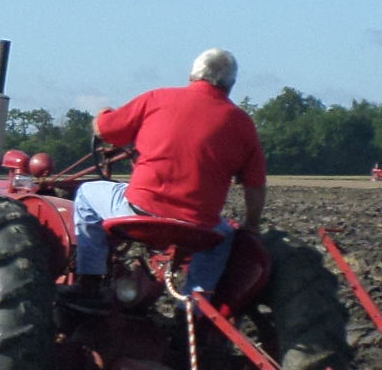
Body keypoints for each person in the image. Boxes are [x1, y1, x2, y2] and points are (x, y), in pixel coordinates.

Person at [70, 48, 266, 298]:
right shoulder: (243, 124)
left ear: (192, 76)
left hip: (141, 213)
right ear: (231, 85)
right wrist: (251, 225)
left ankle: (90, 281)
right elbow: (255, 186)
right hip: (198, 228)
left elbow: (105, 130)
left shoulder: (156, 99)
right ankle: (195, 307)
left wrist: (103, 115)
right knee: (226, 235)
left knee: (86, 193)